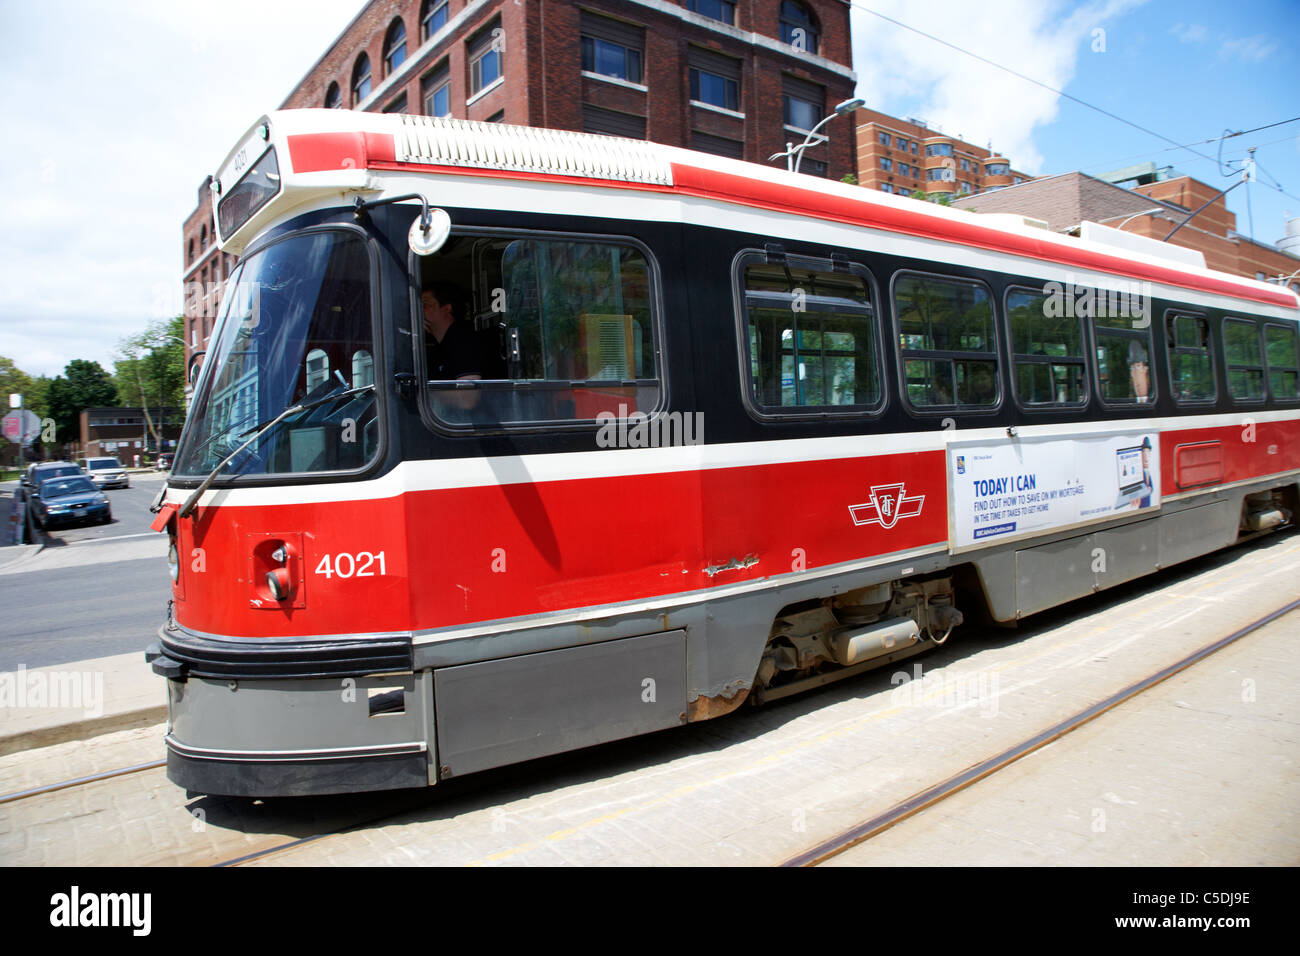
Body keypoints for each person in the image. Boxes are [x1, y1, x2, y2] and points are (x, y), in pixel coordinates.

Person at [422, 282, 480, 381]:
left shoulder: (462, 341)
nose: (420, 310)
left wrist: (424, 392)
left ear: (447, 309)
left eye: (426, 305)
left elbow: (468, 393)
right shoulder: (438, 347)